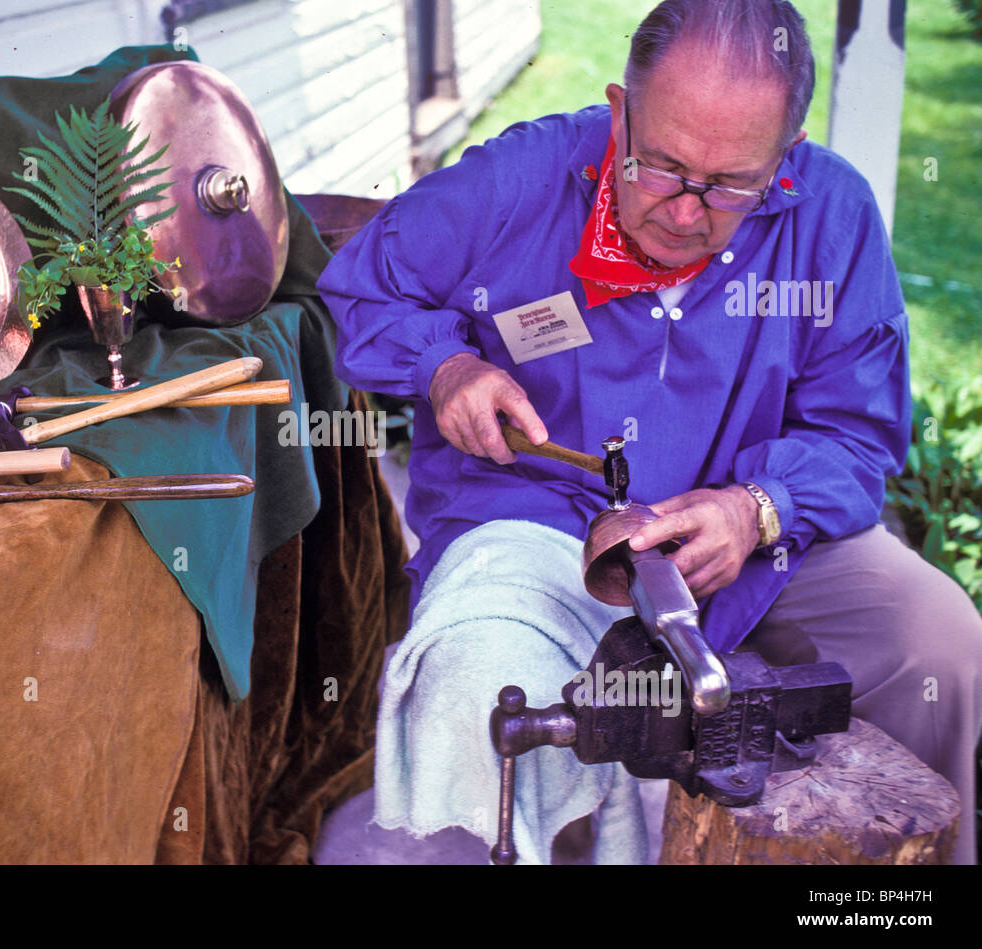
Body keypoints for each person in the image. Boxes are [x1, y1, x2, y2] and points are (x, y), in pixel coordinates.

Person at [317, 0, 982, 864]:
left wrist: (758, 509)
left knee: (942, 643)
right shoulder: (517, 180)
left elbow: (858, 435)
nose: (684, 211)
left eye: (730, 185)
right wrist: (446, 367)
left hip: (757, 548)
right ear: (619, 109)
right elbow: (360, 287)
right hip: (538, 525)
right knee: (482, 685)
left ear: (785, 159)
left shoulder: (832, 216)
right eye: (661, 167)